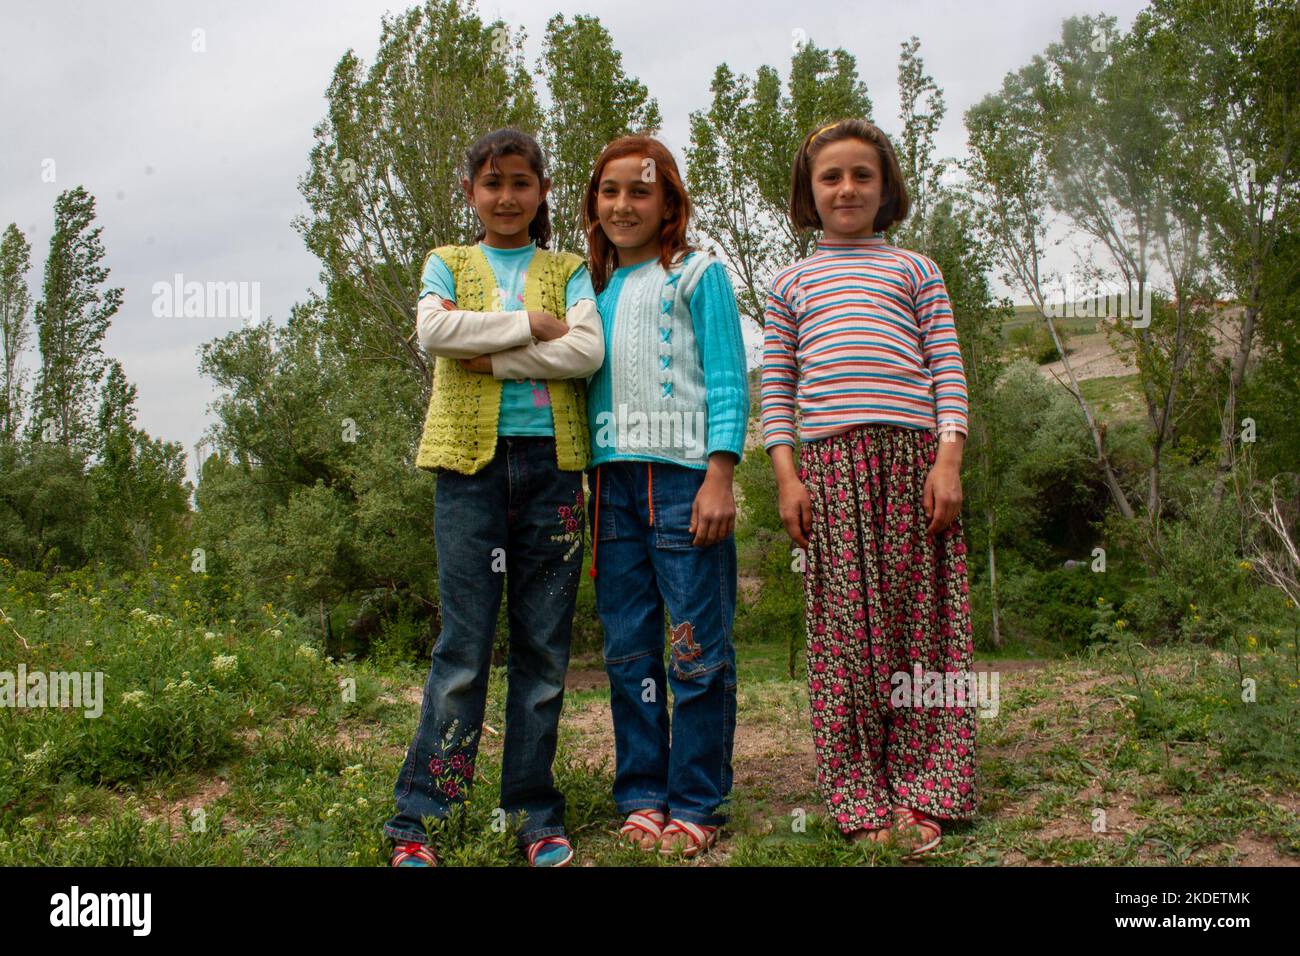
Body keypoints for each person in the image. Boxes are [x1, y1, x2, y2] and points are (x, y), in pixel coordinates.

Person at [384, 128, 604, 867]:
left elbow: (586, 351)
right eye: (491, 183)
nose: (505, 196)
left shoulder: (569, 268)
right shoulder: (448, 262)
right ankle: (423, 818)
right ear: (471, 192)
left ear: (542, 190)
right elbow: (433, 329)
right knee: (465, 649)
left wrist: (488, 354)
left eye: (520, 182)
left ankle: (533, 812)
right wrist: (529, 328)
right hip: (468, 474)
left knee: (543, 651)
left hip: (552, 471)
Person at [761, 118, 976, 857]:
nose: (847, 188)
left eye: (862, 175)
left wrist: (947, 461)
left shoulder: (917, 270)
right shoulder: (789, 283)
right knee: (846, 637)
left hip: (915, 459)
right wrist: (787, 477)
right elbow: (778, 392)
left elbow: (947, 371)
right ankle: (858, 792)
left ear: (885, 189)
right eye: (831, 177)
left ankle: (927, 785)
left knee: (925, 629)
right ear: (809, 192)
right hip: (828, 467)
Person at [582, 135, 749, 858]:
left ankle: (698, 799)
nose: (624, 204)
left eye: (640, 191)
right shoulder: (589, 286)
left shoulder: (698, 274)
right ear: (594, 202)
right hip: (611, 484)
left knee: (695, 649)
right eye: (610, 191)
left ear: (669, 202)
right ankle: (642, 793)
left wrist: (721, 472)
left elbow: (729, 376)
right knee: (628, 651)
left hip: (684, 480)